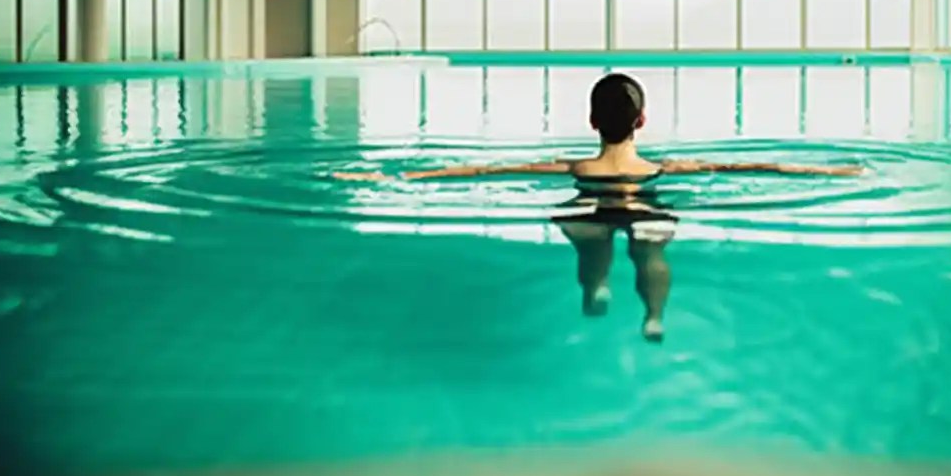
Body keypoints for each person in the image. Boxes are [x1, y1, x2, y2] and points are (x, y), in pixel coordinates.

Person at [334, 73, 864, 342]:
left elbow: (483, 172)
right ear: (641, 121)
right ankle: (654, 316)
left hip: (588, 204)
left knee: (591, 251)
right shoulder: (662, 168)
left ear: (592, 122)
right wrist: (832, 173)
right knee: (653, 255)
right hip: (647, 204)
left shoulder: (574, 166)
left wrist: (391, 177)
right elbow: (749, 168)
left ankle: (597, 288)